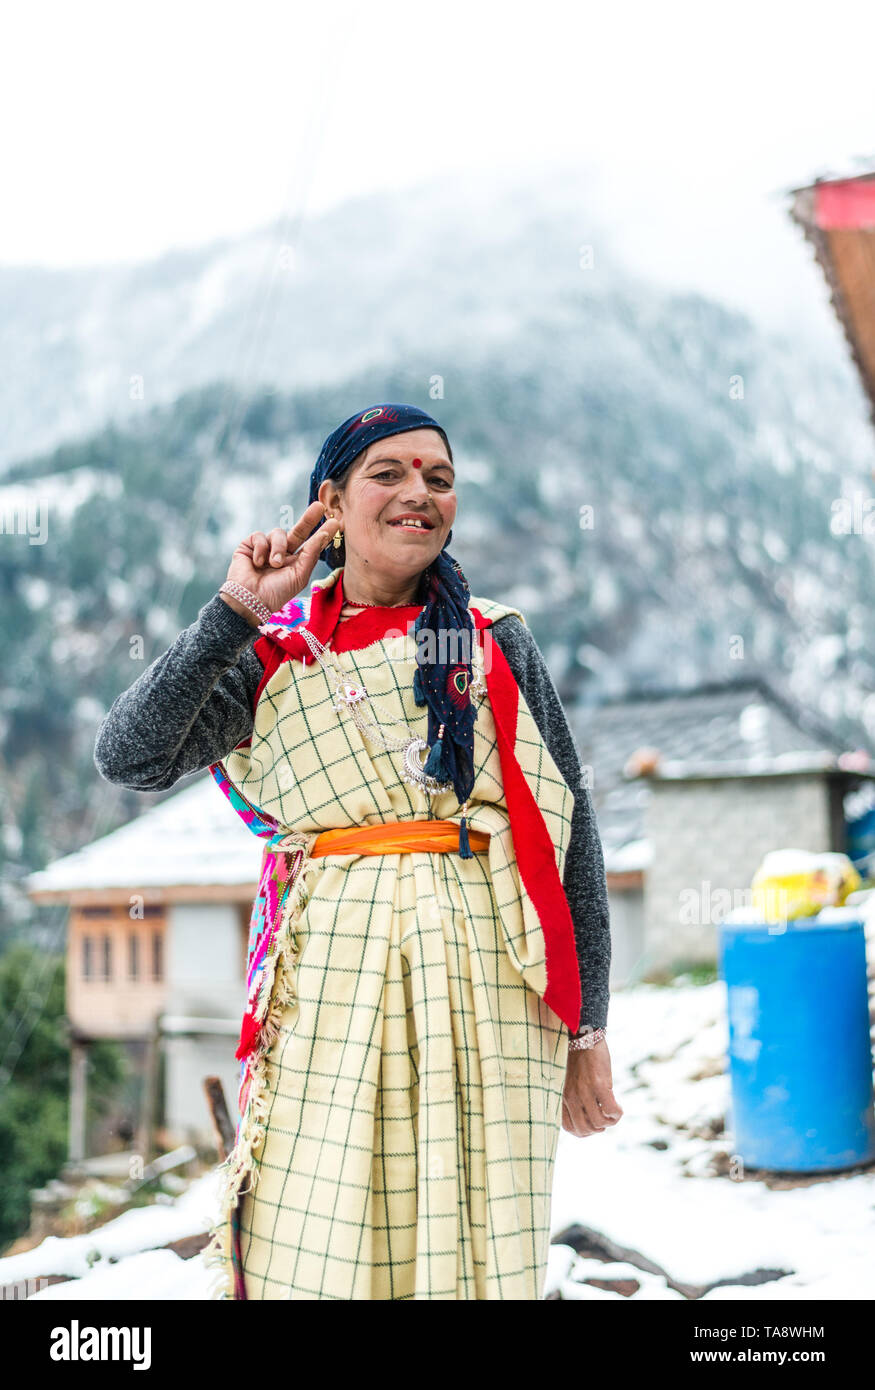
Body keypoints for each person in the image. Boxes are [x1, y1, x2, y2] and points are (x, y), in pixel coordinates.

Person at [94, 401, 622, 1301]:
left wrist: (590, 1027)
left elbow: (565, 827)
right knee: (323, 1222)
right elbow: (129, 754)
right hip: (329, 986)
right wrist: (234, 613)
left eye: (439, 477)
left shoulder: (492, 639)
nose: (420, 491)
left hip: (493, 985)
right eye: (389, 473)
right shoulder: (274, 656)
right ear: (328, 507)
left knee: (474, 1228)